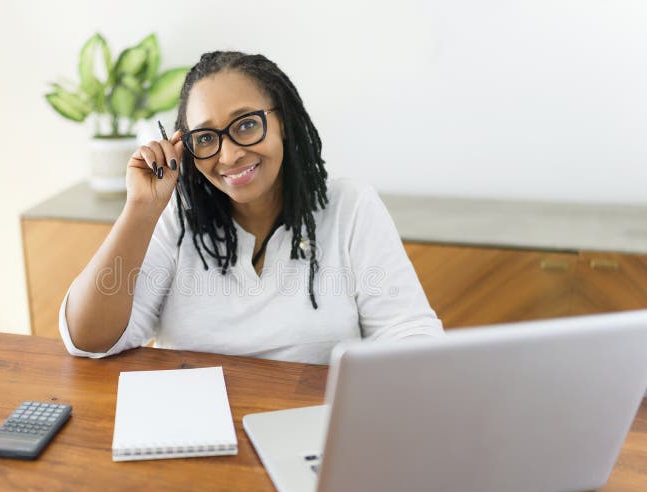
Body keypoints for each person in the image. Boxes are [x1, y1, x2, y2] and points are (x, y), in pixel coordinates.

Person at [59, 51, 443, 365]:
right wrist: (140, 210)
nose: (229, 155)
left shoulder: (351, 207)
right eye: (206, 138)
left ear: (284, 122)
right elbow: (89, 340)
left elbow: (409, 334)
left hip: (311, 428)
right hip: (195, 432)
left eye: (245, 125)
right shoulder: (176, 217)